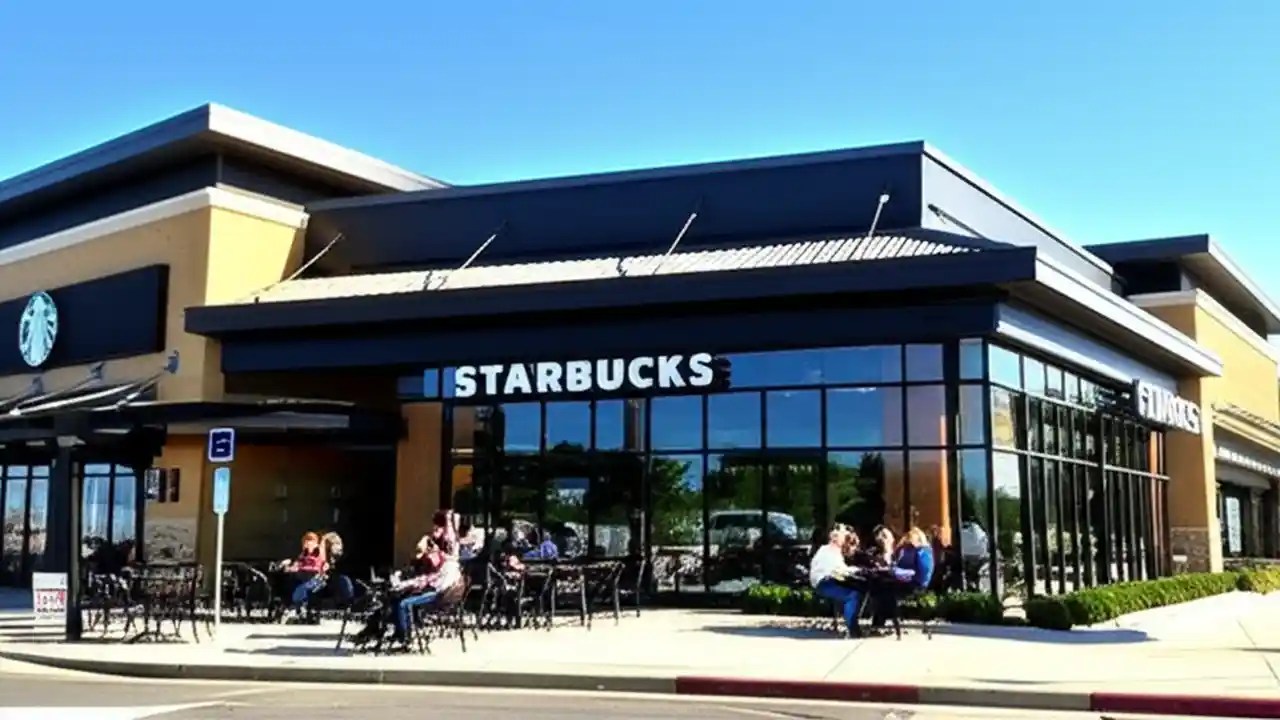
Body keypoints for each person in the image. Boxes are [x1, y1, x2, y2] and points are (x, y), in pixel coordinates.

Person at [809, 524, 865, 638]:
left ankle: (853, 627)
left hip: (825, 582)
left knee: (854, 592)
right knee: (852, 595)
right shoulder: (830, 551)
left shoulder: (828, 550)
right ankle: (853, 629)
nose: (846, 539)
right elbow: (839, 570)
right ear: (835, 538)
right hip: (824, 584)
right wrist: (856, 570)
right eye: (844, 536)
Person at [282, 532, 328, 614]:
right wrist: (289, 568)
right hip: (303, 577)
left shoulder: (319, 554)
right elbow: (297, 564)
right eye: (305, 541)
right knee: (289, 583)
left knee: (301, 590)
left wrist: (300, 568)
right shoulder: (303, 555)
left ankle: (300, 606)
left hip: (316, 579)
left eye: (310, 541)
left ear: (316, 543)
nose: (307, 543)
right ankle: (295, 607)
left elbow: (318, 567)